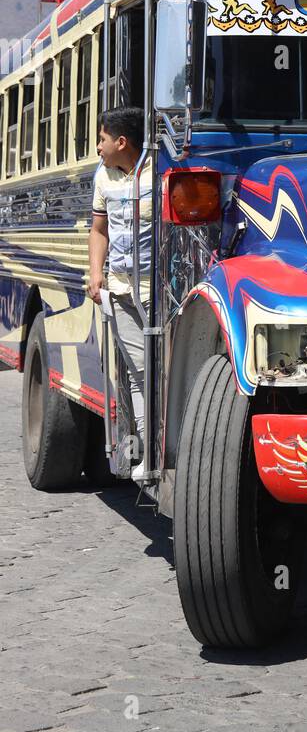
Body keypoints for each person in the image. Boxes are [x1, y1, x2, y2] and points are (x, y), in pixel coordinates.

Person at [86, 108, 152, 483]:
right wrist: (97, 275)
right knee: (139, 372)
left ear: (121, 142)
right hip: (121, 288)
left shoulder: (158, 173)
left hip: (156, 291)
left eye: (102, 139)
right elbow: (99, 230)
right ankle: (147, 450)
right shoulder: (103, 176)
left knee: (165, 370)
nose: (98, 148)